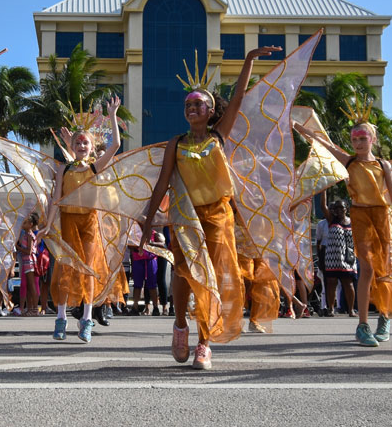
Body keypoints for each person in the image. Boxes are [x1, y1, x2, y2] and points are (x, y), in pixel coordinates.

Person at [138, 46, 277, 370]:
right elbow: (162, 184)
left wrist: (248, 62)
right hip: (185, 217)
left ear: (211, 109)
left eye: (197, 103)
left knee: (208, 279)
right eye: (187, 104)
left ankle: (204, 343)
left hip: (218, 217)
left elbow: (239, 99)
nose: (190, 108)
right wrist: (148, 221)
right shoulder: (177, 143)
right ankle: (180, 326)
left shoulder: (219, 136)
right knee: (184, 276)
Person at [297, 102, 392, 348]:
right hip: (360, 216)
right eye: (354, 139)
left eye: (362, 138)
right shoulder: (350, 162)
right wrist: (303, 130)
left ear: (373, 139)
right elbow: (325, 144)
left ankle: (384, 318)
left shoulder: (383, 165)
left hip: (381, 216)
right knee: (365, 268)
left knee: (383, 270)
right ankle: (362, 325)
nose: (358, 143)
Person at [46, 96, 123, 343]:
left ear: (91, 147)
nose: (81, 145)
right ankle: (61, 318)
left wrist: (112, 116)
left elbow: (115, 146)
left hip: (89, 224)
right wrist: (47, 226)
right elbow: (56, 200)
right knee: (65, 270)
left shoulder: (94, 168)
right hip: (68, 222)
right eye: (77, 142)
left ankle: (86, 320)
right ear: (72, 147)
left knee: (89, 272)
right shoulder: (64, 170)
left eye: (85, 142)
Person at [318, 201, 356, 318]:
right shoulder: (331, 220)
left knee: (348, 283)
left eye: (342, 207)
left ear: (346, 209)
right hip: (332, 256)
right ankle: (331, 308)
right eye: (337, 208)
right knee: (331, 283)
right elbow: (323, 206)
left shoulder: (352, 221)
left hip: (347, 257)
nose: (339, 210)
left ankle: (351, 310)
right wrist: (324, 188)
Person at [15, 213, 40, 317]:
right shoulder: (26, 234)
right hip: (27, 262)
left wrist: (18, 247)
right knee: (29, 287)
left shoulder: (29, 235)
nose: (23, 224)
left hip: (29, 261)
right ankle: (30, 308)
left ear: (30, 224)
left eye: (25, 223)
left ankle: (34, 309)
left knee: (32, 285)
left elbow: (29, 251)